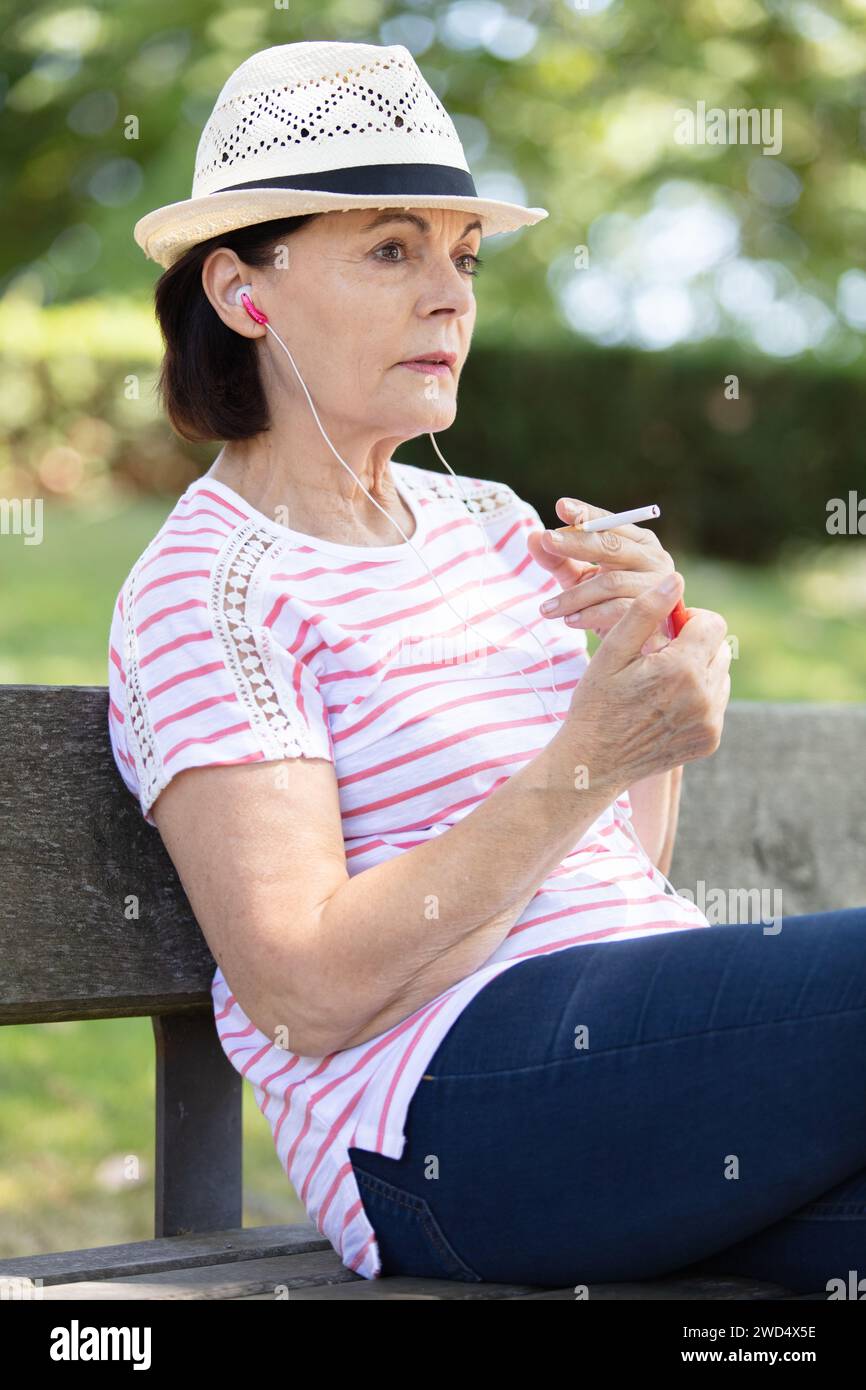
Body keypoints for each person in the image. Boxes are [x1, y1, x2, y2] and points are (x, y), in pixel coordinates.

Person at [108, 40, 866, 1294]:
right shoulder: (210, 591)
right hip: (443, 1132)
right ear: (246, 294)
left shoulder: (488, 522)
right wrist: (588, 752)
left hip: (618, 1078)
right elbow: (302, 990)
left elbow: (614, 874)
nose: (450, 297)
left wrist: (643, 682)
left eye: (461, 258)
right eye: (392, 250)